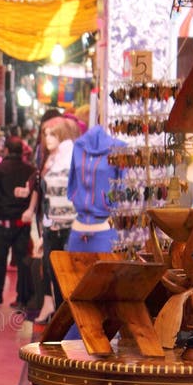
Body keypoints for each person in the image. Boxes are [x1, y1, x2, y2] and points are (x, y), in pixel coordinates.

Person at [0, 137, 37, 308]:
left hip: (3, 221)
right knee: (22, 261)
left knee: (0, 259)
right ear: (21, 152)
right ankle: (22, 297)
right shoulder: (30, 170)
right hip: (22, 223)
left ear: (6, 150)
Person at [35, 115, 79, 322]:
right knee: (54, 272)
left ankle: (67, 319)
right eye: (45, 134)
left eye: (52, 134)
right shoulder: (52, 159)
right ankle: (61, 317)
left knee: (65, 275)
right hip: (52, 225)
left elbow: (69, 197)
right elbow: (49, 199)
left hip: (67, 227)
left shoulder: (69, 157)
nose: (47, 139)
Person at [67, 124, 126, 253]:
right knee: (70, 272)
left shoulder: (119, 148)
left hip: (105, 228)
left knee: (104, 273)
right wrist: (75, 198)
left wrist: (110, 204)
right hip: (78, 228)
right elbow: (73, 181)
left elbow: (122, 184)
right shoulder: (78, 147)